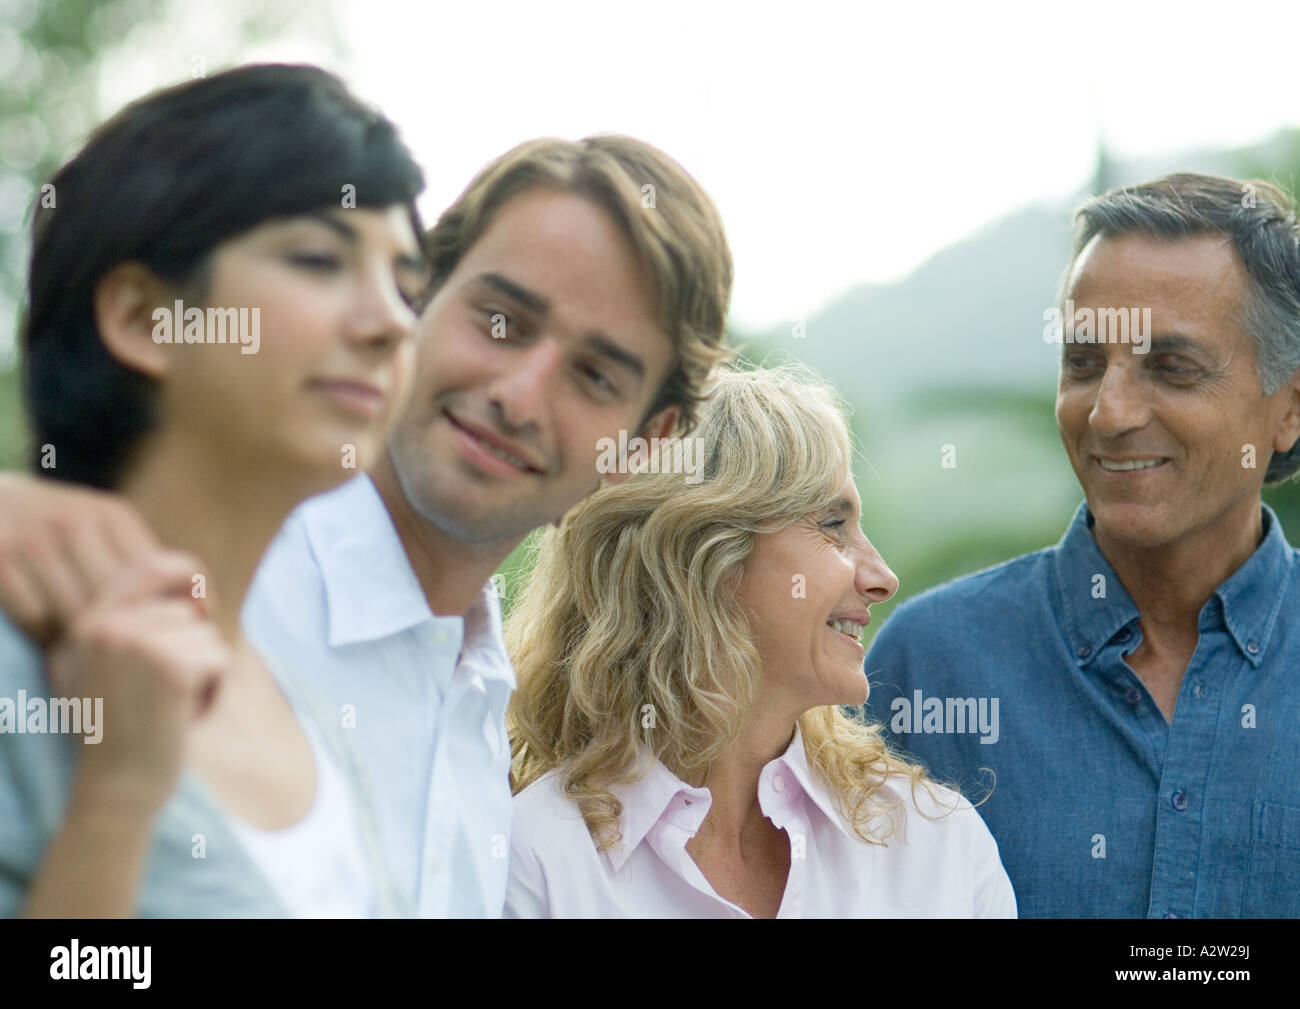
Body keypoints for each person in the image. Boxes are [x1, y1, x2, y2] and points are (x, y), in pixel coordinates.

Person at [0, 133, 734, 916]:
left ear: (644, 444)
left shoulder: (484, 727)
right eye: (500, 321)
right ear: (414, 298)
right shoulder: (136, 582)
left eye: (594, 374)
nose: (519, 396)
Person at [1, 63, 429, 916]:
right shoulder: (19, 667)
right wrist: (119, 794)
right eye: (318, 259)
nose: (391, 322)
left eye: (409, 286)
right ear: (142, 317)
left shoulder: (304, 709)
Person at [864, 173, 1300, 918]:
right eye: (1084, 361)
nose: (1110, 411)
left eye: (1171, 366)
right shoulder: (929, 669)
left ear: (1288, 408)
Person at [504, 364, 1017, 918]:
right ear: (703, 557)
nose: (882, 577)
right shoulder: (532, 859)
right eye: (831, 523)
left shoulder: (940, 848)